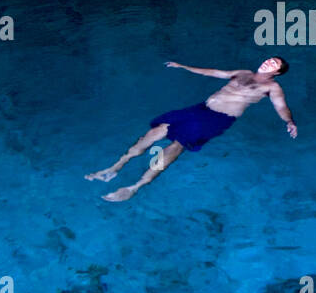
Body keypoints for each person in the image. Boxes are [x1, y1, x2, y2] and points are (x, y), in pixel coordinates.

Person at [87, 57, 296, 202]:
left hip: (218, 118)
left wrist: (289, 121)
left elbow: (281, 107)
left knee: (176, 146)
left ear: (276, 72)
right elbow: (214, 72)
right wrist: (183, 67)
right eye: (270, 59)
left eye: (273, 64)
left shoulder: (272, 88)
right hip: (200, 109)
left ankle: (135, 187)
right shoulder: (243, 73)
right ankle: (115, 167)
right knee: (157, 131)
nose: (268, 62)